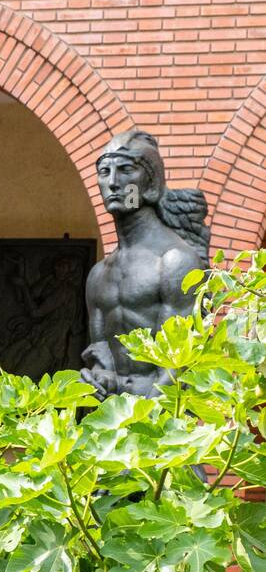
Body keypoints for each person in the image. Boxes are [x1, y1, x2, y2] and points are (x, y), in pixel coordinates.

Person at [81, 129, 209, 400]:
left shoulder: (176, 262)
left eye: (126, 169)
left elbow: (180, 363)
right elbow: (100, 351)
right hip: (112, 423)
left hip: (164, 425)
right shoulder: (98, 275)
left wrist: (144, 415)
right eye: (104, 172)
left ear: (151, 182)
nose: (113, 182)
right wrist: (101, 379)